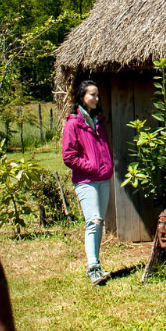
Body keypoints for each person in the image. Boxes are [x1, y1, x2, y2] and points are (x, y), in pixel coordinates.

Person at [61, 79, 114, 285]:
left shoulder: (98, 121)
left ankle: (96, 265)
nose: (96, 98)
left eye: (97, 95)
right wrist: (92, 167)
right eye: (92, 94)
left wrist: (106, 167)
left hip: (102, 179)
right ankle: (92, 267)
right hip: (86, 181)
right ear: (82, 96)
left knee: (99, 222)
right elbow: (68, 156)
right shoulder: (73, 123)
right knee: (92, 221)